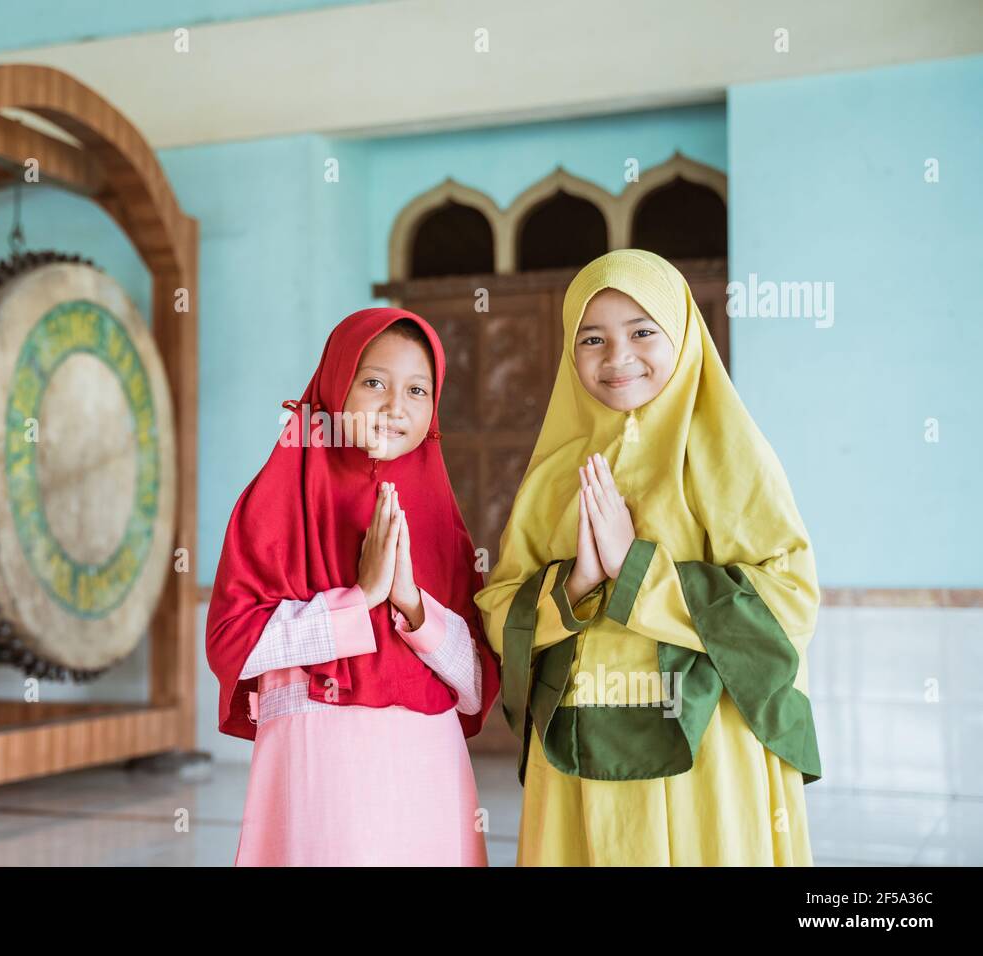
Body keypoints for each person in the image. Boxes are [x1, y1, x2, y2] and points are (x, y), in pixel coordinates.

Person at [475, 249, 822, 866]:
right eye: (592, 339)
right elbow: (501, 615)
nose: (618, 358)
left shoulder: (732, 460)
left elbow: (789, 605)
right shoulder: (554, 476)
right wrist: (577, 582)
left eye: (642, 332)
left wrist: (635, 570)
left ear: (683, 335)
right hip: (579, 750)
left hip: (708, 749)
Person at [207, 307, 500, 866]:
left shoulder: (441, 520)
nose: (396, 407)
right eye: (373, 383)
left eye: (418, 389)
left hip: (426, 771)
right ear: (336, 383)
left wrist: (412, 604)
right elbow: (232, 647)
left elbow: (476, 684)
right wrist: (358, 599)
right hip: (318, 769)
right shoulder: (272, 506)